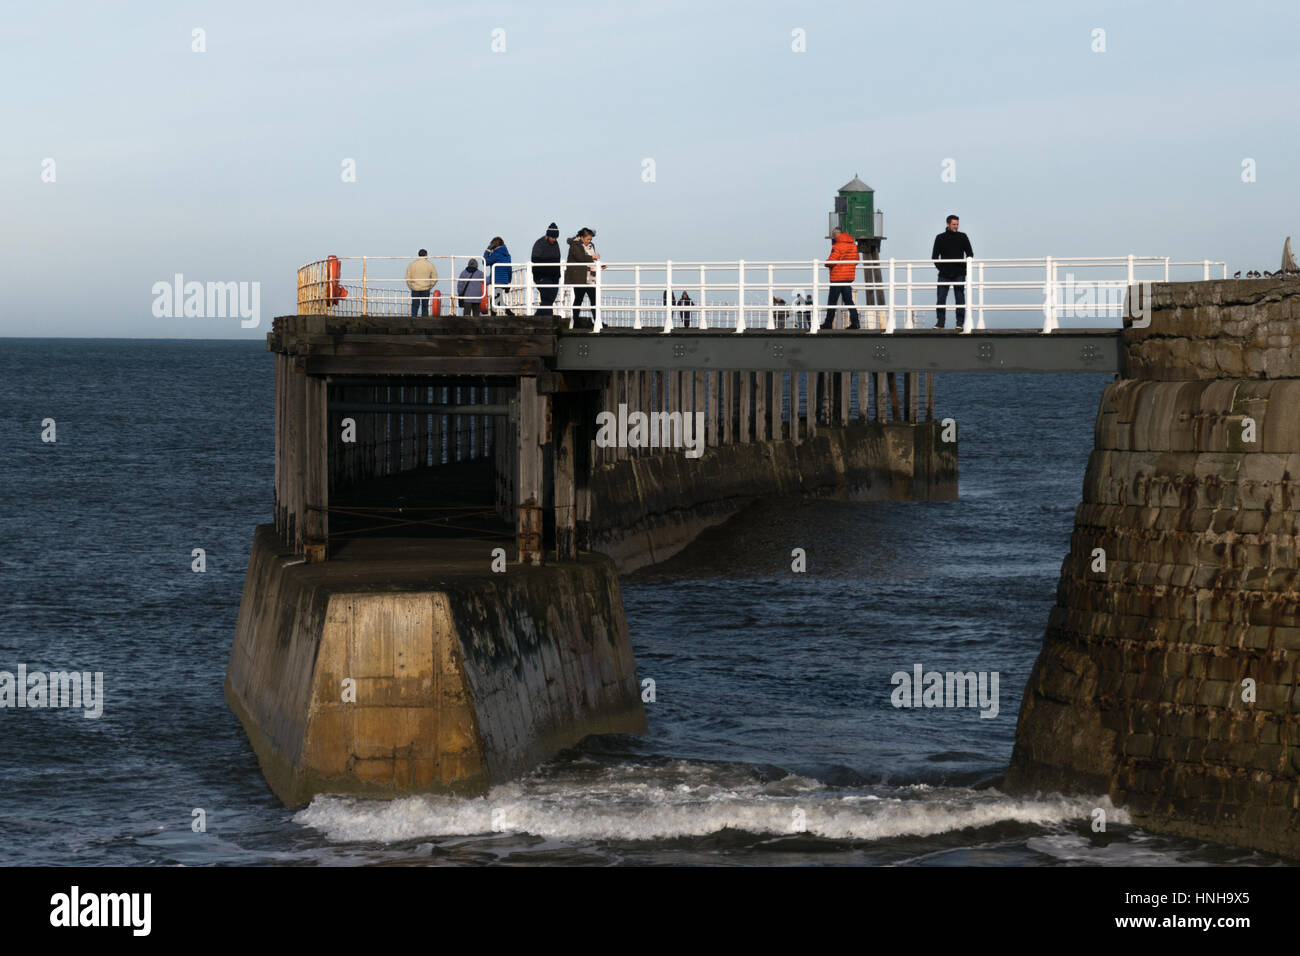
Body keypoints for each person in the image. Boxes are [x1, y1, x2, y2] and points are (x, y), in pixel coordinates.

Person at [932, 214, 974, 329]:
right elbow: (934, 256)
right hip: (944, 273)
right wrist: (942, 268)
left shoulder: (963, 236)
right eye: (954, 224)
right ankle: (940, 323)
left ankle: (959, 323)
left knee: (960, 298)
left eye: (957, 224)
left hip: (959, 273)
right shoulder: (940, 238)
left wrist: (963, 268)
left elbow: (970, 254)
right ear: (948, 224)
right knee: (941, 298)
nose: (956, 226)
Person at [822, 227, 860, 330]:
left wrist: (826, 263)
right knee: (849, 301)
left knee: (832, 301)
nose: (833, 237)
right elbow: (856, 260)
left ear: (837, 234)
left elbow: (832, 260)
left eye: (834, 235)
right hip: (848, 277)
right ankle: (855, 322)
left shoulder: (837, 246)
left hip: (837, 277)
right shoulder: (853, 245)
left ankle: (828, 323)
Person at [566, 227, 598, 329]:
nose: (589, 241)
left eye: (590, 239)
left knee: (594, 299)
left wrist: (600, 265)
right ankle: (576, 322)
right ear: (581, 237)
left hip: (590, 276)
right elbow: (580, 258)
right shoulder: (574, 245)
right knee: (578, 299)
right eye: (588, 239)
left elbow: (591, 259)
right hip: (579, 276)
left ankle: (597, 321)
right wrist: (593, 257)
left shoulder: (590, 245)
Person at [530, 223, 562, 316]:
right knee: (548, 297)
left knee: (549, 299)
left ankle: (541, 318)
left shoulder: (556, 244)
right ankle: (544, 318)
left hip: (554, 277)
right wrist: (540, 276)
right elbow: (535, 260)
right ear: (547, 235)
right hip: (542, 276)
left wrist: (557, 276)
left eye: (556, 238)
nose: (554, 239)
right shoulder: (539, 244)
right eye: (552, 237)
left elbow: (557, 260)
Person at [483, 237, 513, 315]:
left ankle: (509, 314)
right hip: (505, 280)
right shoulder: (507, 255)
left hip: (497, 280)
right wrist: (509, 282)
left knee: (496, 300)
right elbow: (510, 270)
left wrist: (487, 250)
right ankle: (496, 315)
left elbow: (484, 262)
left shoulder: (496, 254)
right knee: (497, 299)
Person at [405, 249, 439, 317]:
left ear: (418, 255)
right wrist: (430, 286)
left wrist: (411, 286)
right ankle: (425, 322)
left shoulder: (412, 264)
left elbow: (407, 277)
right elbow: (435, 278)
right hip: (426, 288)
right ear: (426, 255)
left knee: (415, 306)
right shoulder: (430, 265)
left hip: (415, 288)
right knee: (425, 306)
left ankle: (413, 321)